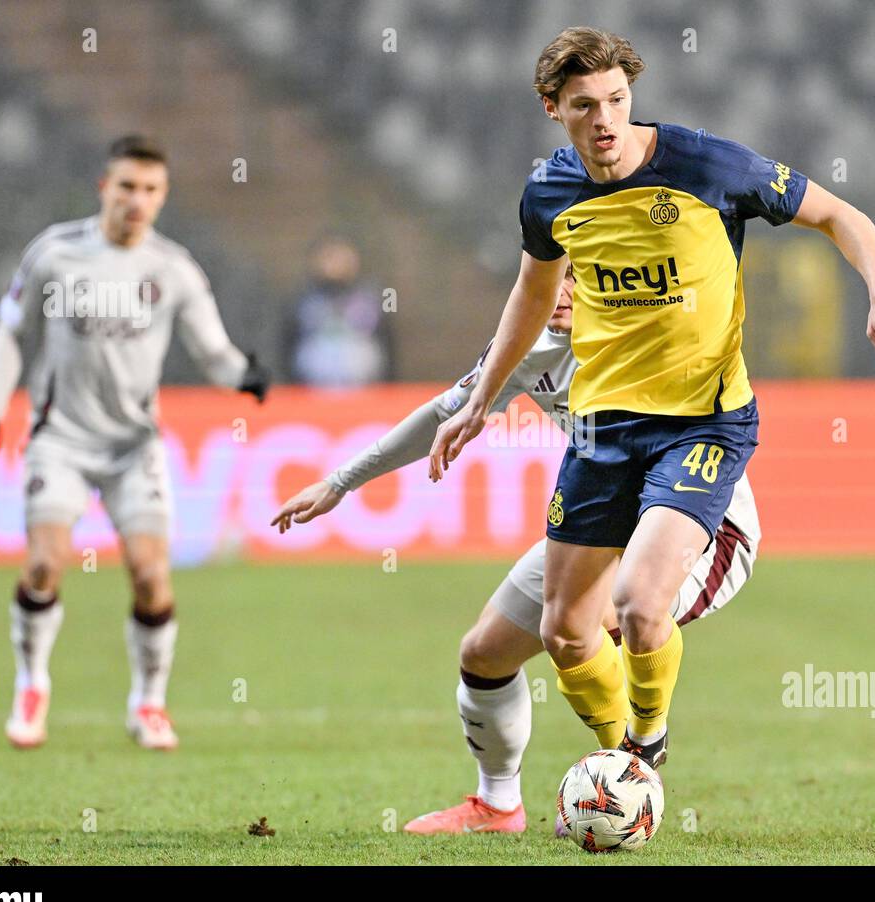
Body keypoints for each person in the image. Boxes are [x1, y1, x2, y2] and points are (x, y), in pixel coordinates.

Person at [428, 27, 875, 772]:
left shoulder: (705, 164)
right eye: (584, 104)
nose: (605, 120)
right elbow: (530, 298)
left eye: (618, 100)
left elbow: (841, 216)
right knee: (564, 632)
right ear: (552, 107)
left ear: (632, 95)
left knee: (639, 602)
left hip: (703, 424)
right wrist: (479, 402)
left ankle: (646, 754)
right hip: (602, 430)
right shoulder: (550, 194)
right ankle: (617, 764)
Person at [271, 265, 760, 834]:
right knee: (484, 654)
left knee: (592, 620)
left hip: (703, 524)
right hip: (602, 525)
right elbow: (443, 411)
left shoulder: (650, 333)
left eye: (579, 277)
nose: (561, 292)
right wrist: (339, 483)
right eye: (551, 277)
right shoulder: (527, 346)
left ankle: (632, 769)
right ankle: (498, 805)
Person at [0, 135, 270, 751]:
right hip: (61, 440)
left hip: (135, 444)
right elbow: (9, 333)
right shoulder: (54, 255)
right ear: (105, 188)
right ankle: (32, 685)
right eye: (127, 186)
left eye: (151, 190)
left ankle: (148, 704)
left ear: (163, 197)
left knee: (151, 575)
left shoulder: (174, 269)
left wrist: (245, 375)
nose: (138, 200)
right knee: (45, 563)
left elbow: (212, 353)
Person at [289, 236, 389, 386]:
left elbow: (386, 341)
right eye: (330, 258)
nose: (336, 265)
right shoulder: (302, 301)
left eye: (342, 258)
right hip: (312, 390)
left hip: (364, 387)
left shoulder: (375, 297)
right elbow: (289, 343)